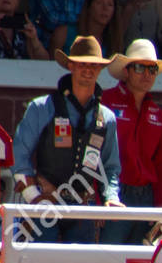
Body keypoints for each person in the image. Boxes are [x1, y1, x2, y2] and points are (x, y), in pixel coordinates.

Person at [10, 35, 123, 244]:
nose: (88, 70)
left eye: (94, 65)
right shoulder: (42, 107)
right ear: (71, 65)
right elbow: (18, 155)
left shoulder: (106, 118)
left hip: (83, 208)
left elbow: (110, 167)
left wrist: (111, 198)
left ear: (100, 70)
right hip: (45, 204)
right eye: (82, 64)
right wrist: (33, 196)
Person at [101, 39, 162, 241]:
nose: (147, 74)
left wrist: (160, 209)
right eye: (140, 67)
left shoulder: (159, 115)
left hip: (146, 197)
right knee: (108, 261)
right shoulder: (105, 102)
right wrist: (100, 199)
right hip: (114, 194)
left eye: (152, 69)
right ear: (127, 71)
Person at [49, 0, 119, 57]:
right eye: (99, 3)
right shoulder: (63, 34)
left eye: (110, 4)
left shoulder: (114, 41)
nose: (105, 8)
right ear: (89, 7)